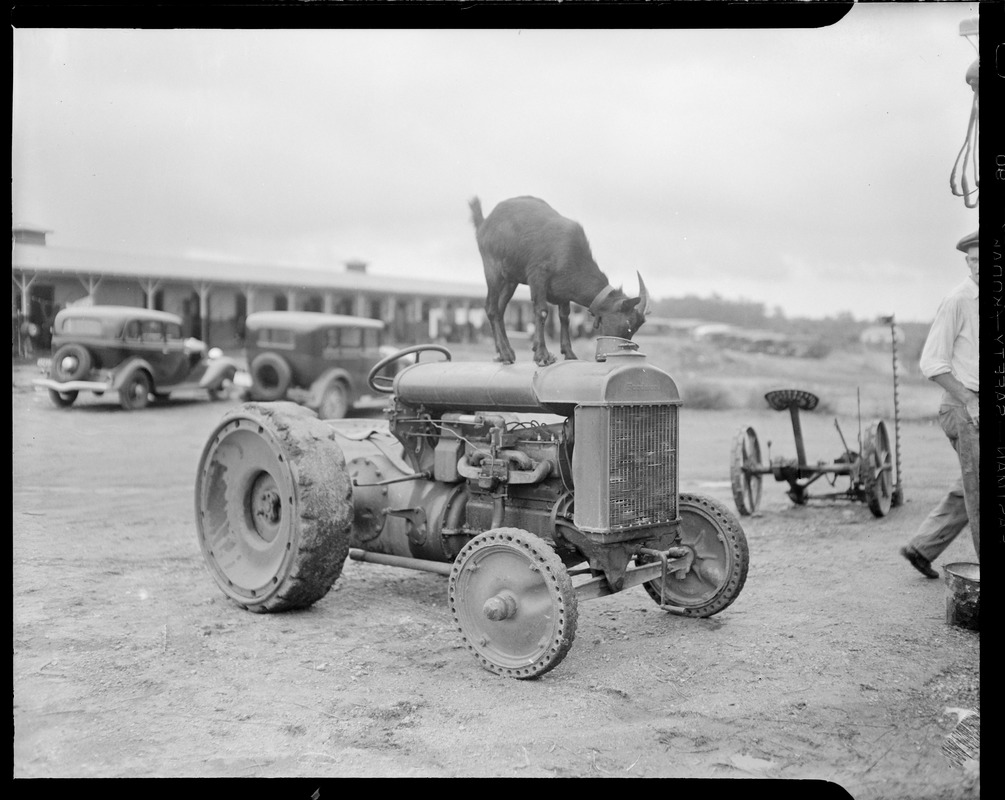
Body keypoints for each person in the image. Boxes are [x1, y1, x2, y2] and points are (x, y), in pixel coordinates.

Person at [900, 229, 979, 578]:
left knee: (972, 483)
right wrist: (969, 399)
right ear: (967, 262)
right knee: (981, 492)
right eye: (975, 261)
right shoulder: (958, 300)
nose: (981, 267)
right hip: (964, 406)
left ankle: (923, 546)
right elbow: (932, 363)